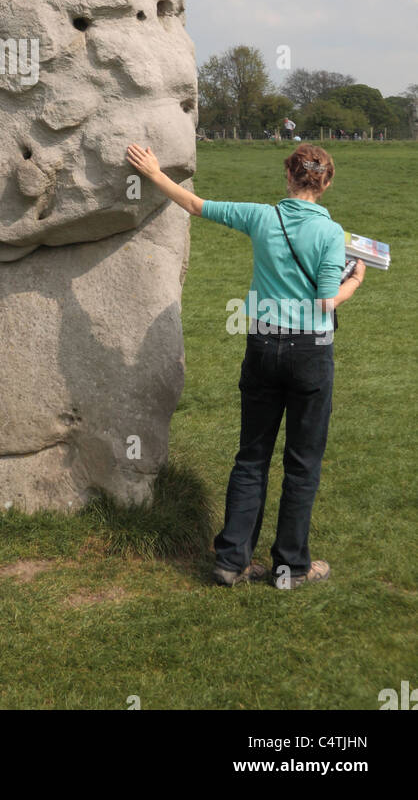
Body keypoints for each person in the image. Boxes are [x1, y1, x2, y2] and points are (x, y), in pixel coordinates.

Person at [125, 140, 365, 589]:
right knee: (301, 463)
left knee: (252, 457)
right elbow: (324, 300)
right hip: (310, 352)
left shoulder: (261, 216)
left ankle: (231, 561)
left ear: (289, 176)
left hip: (262, 346)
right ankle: (291, 567)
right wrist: (356, 281)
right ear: (326, 181)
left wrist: (155, 174)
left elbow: (196, 205)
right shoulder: (333, 234)